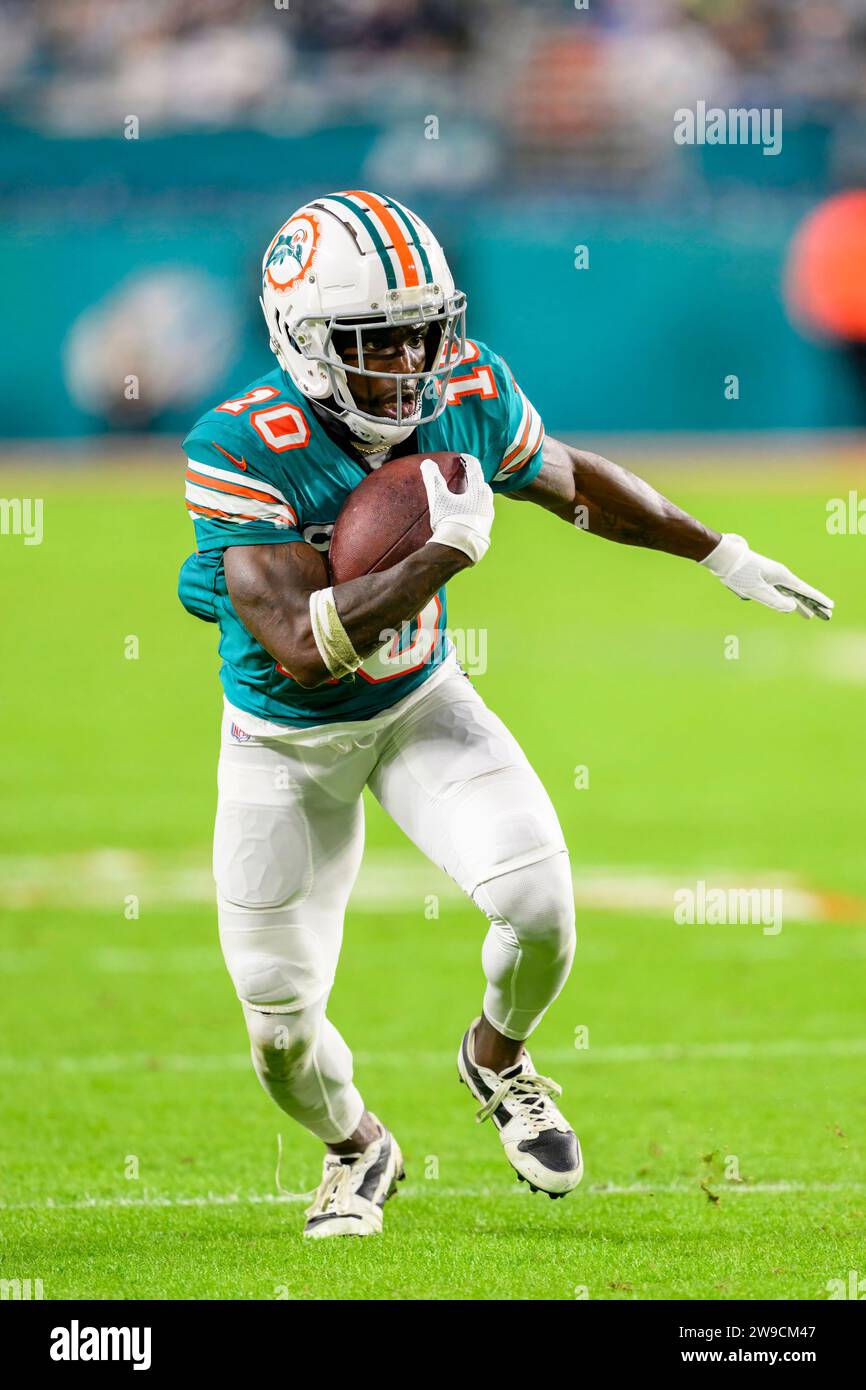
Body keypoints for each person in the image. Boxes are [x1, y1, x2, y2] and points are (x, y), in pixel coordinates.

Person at [178, 190, 833, 1238]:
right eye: (377, 342)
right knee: (278, 1029)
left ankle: (495, 1057)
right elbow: (302, 650)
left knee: (539, 902)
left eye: (422, 331)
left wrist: (721, 551)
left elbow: (570, 480)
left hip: (417, 701)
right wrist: (439, 552)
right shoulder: (241, 444)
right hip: (283, 747)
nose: (412, 362)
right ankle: (357, 1147)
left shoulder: (464, 388)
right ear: (302, 344)